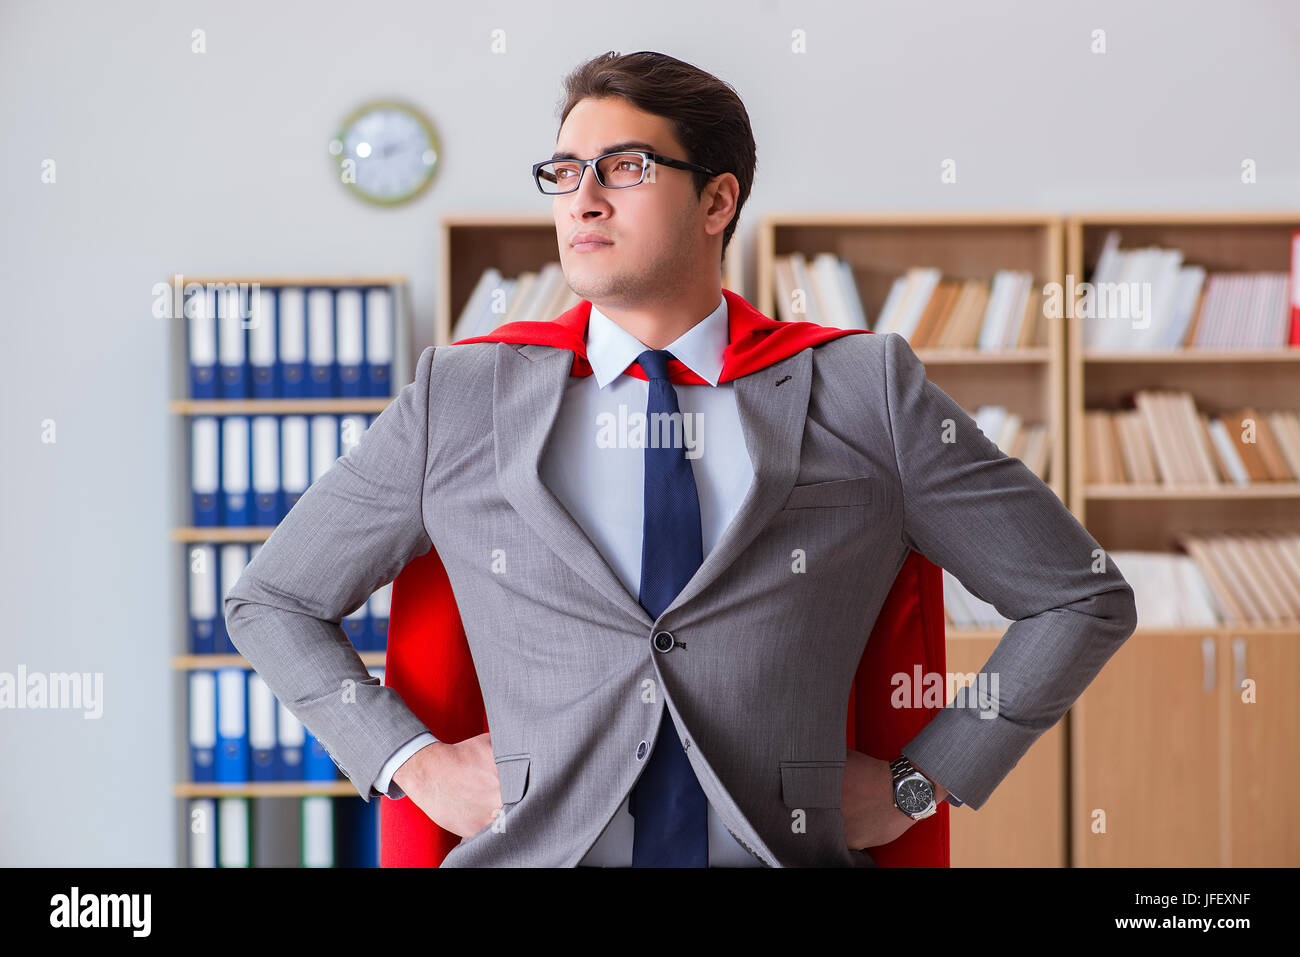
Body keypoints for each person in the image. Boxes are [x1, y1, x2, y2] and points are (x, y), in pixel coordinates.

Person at [225, 50, 1137, 867]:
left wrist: (921, 779)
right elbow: (273, 598)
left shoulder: (865, 391)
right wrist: (412, 763)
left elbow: (1080, 593)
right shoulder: (461, 399)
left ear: (717, 199)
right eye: (564, 172)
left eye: (624, 168)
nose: (582, 197)